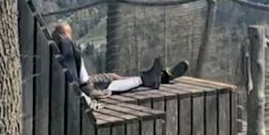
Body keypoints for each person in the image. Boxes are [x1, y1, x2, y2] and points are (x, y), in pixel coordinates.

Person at [51, 21, 188, 100]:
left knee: (113, 76)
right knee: (113, 81)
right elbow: (83, 82)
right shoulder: (69, 50)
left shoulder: (54, 52)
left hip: (79, 85)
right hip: (85, 89)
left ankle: (162, 76)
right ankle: (152, 78)